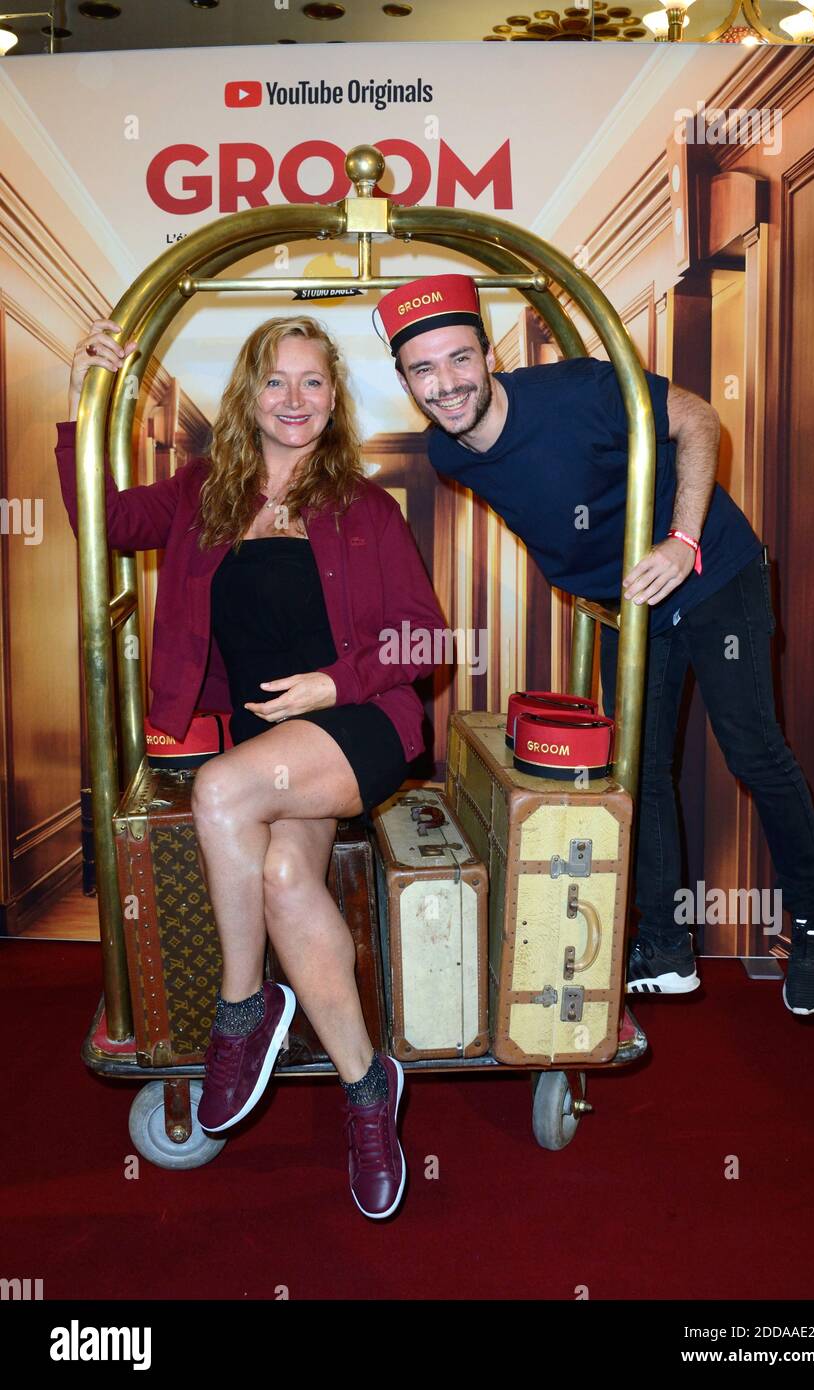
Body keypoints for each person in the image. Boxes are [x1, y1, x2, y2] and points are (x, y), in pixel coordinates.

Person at [59, 314, 449, 1219]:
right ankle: (368, 1092)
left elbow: (425, 636)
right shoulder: (204, 492)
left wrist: (331, 681)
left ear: (334, 399)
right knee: (279, 872)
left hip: (359, 726)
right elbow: (107, 519)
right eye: (276, 381)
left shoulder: (365, 506)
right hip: (265, 746)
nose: (294, 399)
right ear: (248, 395)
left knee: (222, 788)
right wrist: (84, 396)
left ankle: (243, 1011)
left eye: (313, 382)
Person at [375, 273, 814, 1017]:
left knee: (752, 749)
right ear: (403, 379)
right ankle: (665, 946)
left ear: (488, 354)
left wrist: (682, 541)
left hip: (712, 571)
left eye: (459, 358)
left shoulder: (581, 391)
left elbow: (698, 420)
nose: (446, 383)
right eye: (423, 369)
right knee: (635, 770)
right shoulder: (448, 455)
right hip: (628, 606)